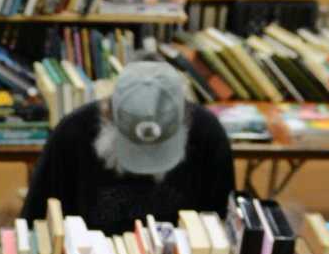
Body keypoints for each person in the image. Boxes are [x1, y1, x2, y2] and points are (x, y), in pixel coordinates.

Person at [20, 60, 233, 235]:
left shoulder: (207, 135)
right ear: (108, 116)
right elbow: (35, 223)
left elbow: (220, 227)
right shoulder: (72, 134)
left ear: (184, 122)